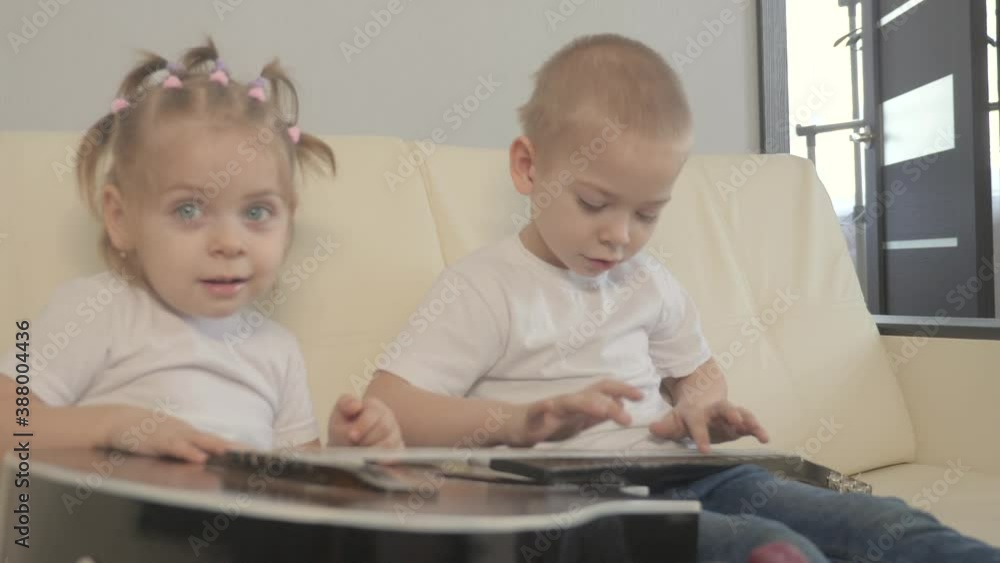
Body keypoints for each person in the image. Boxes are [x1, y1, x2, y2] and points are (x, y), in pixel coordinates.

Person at [362, 33, 1000, 562]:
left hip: (694, 474)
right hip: (569, 501)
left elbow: (697, 374)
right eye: (593, 203)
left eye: (647, 214)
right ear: (529, 168)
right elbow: (386, 408)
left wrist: (702, 408)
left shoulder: (650, 283)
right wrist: (522, 423)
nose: (619, 236)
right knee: (764, 548)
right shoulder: (485, 286)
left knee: (888, 526)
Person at [0, 39, 401, 464]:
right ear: (120, 218)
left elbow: (296, 487)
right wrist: (118, 426)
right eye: (188, 209)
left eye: (258, 211)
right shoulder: (96, 308)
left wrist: (347, 453)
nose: (229, 243)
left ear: (289, 222)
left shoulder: (277, 350)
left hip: (240, 530)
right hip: (116, 527)